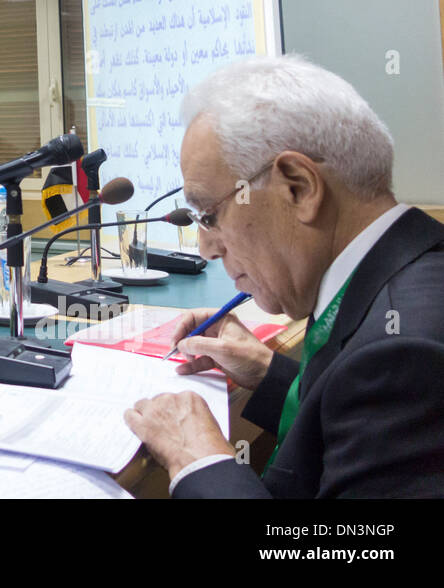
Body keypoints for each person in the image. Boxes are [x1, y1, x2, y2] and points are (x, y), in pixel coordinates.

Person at [122, 54, 444, 498]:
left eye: (210, 215)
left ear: (298, 187)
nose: (207, 249)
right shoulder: (402, 272)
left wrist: (199, 461)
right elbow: (349, 431)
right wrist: (273, 375)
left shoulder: (402, 356)